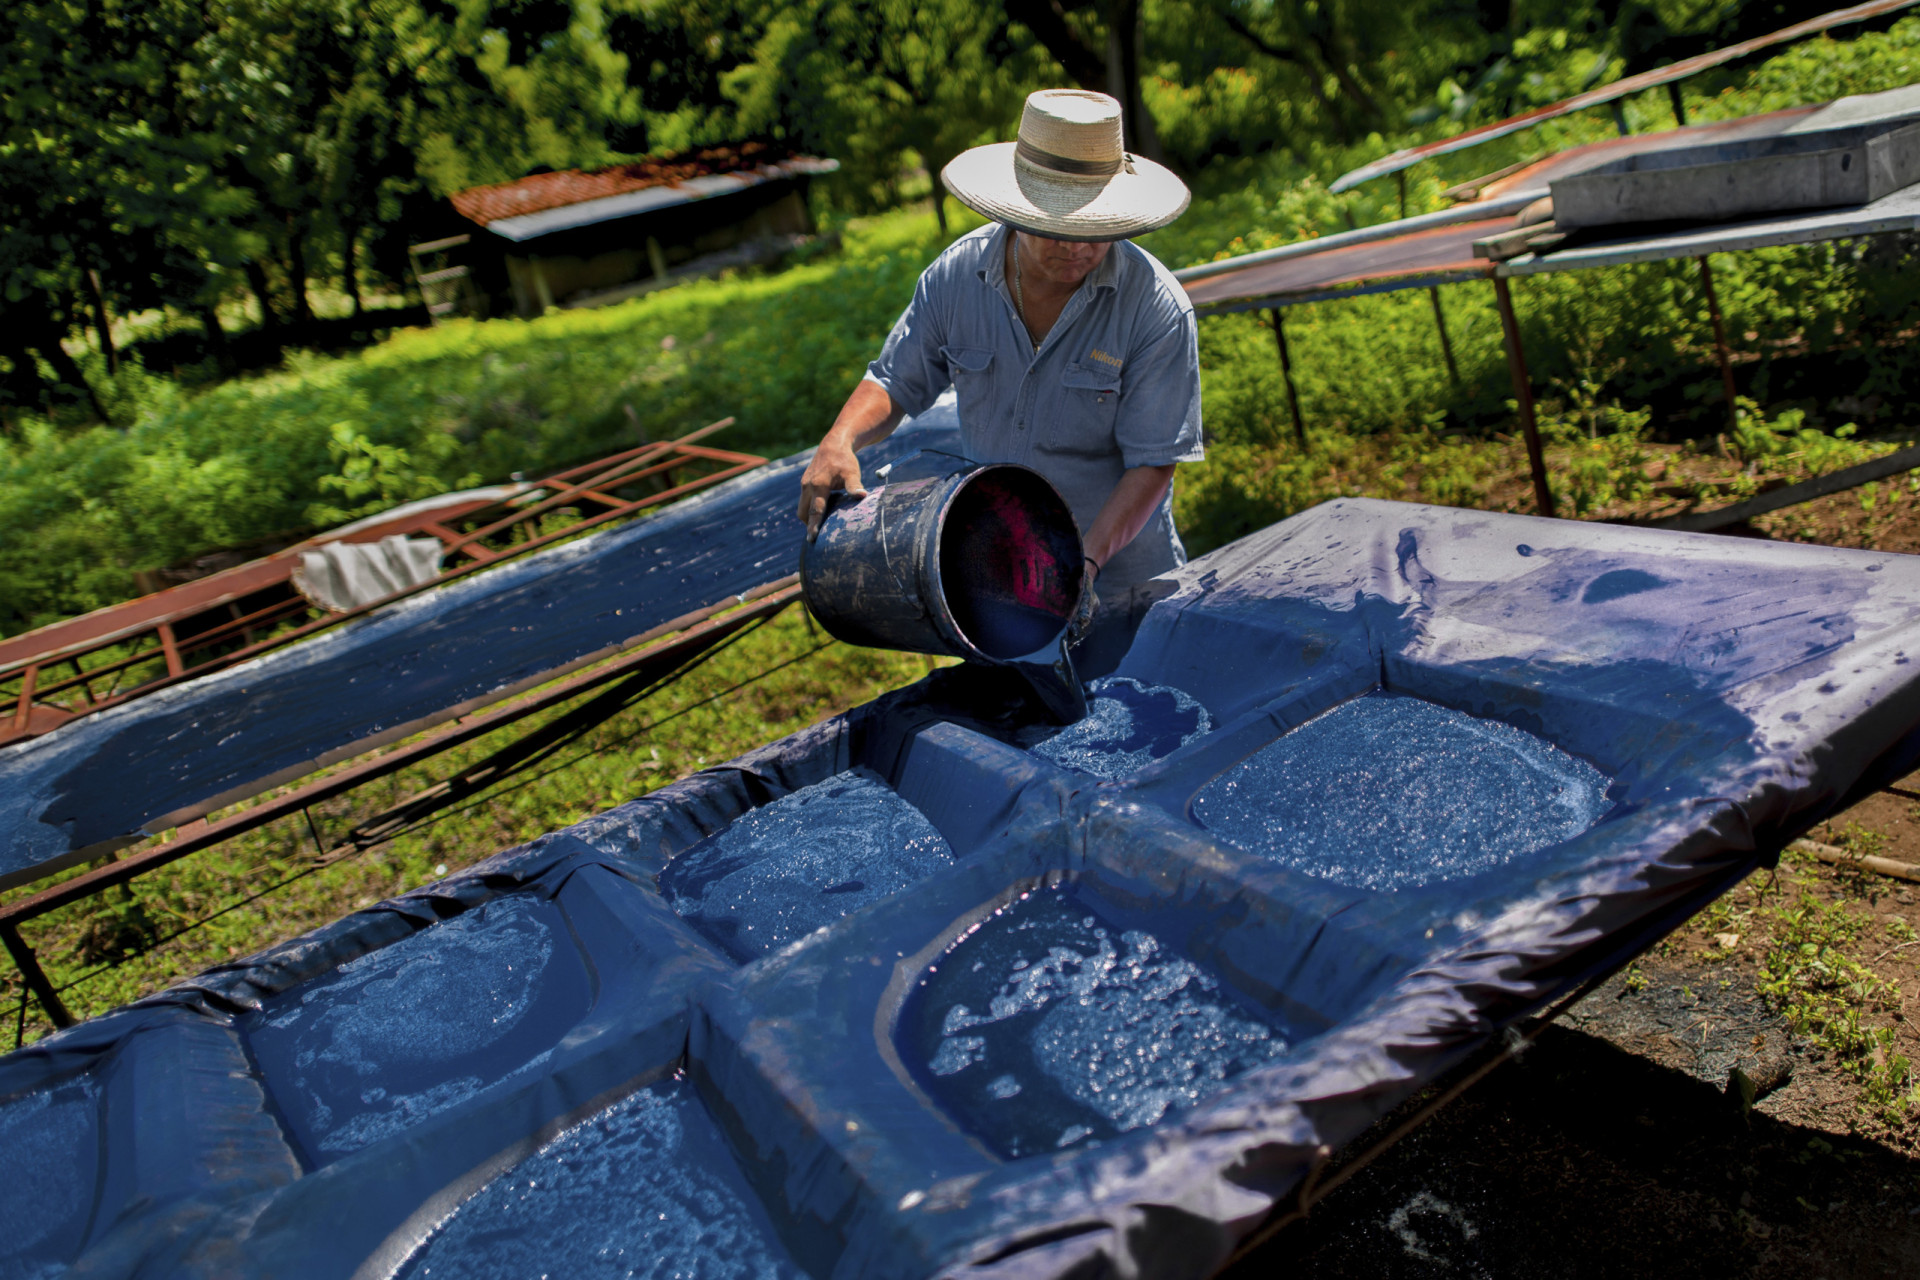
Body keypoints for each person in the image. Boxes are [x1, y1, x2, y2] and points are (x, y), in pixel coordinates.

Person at [797, 88, 1202, 663]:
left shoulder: (1155, 308)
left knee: (1136, 692)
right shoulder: (955, 280)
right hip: (994, 567)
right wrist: (840, 439)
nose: (1076, 247)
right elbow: (894, 380)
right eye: (1056, 225)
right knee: (1009, 703)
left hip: (1121, 574)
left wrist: (1081, 565)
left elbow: (1153, 462)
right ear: (1015, 210)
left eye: (1094, 228)